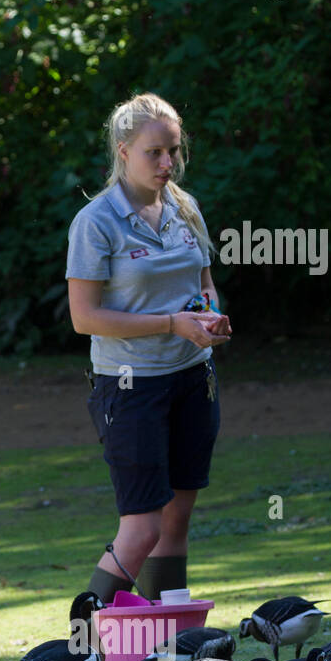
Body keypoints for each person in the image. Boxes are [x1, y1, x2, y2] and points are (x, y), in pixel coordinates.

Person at [65, 93, 232, 603]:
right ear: (123, 151)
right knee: (141, 529)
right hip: (130, 387)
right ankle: (79, 648)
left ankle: (170, 651)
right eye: (154, 152)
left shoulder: (185, 207)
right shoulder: (96, 222)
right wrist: (170, 324)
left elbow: (204, 282)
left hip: (192, 379)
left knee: (176, 521)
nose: (167, 163)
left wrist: (208, 317)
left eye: (173, 151)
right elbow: (84, 317)